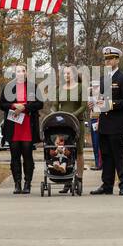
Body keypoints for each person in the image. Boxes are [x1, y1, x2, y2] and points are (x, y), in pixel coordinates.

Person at [90, 47, 123, 195]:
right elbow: (99, 100)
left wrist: (111, 105)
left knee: (119, 155)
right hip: (104, 123)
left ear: (117, 60)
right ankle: (107, 185)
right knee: (106, 155)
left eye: (110, 58)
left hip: (117, 123)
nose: (108, 61)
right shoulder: (103, 79)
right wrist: (93, 103)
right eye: (106, 59)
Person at [0, 62, 43, 194]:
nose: (20, 73)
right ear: (14, 73)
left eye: (23, 71)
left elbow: (40, 104)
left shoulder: (33, 87)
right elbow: (2, 104)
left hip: (28, 125)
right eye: (18, 71)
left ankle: (27, 183)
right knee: (15, 155)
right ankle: (17, 183)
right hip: (13, 125)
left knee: (27, 154)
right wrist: (13, 106)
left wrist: (25, 107)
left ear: (26, 72)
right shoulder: (8, 87)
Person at [47, 65, 88, 193]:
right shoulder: (59, 89)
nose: (66, 76)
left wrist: (72, 116)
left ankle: (79, 178)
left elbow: (83, 106)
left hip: (76, 123)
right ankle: (67, 180)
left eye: (69, 73)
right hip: (63, 125)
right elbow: (55, 105)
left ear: (74, 75)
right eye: (64, 74)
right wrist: (54, 113)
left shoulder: (82, 88)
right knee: (65, 149)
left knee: (78, 151)